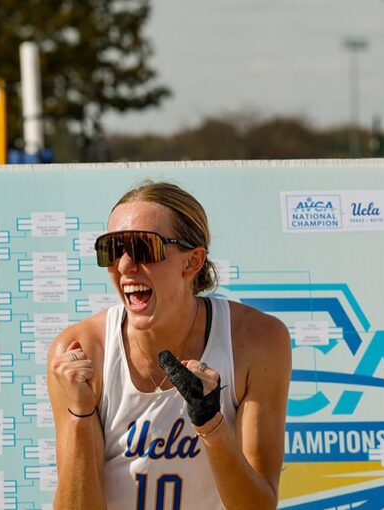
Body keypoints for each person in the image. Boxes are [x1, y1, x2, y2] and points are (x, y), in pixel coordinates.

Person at [47, 181, 291, 509]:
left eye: (144, 248)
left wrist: (211, 424)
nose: (124, 266)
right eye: (112, 249)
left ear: (192, 262)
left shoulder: (256, 340)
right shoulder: (83, 351)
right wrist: (79, 415)